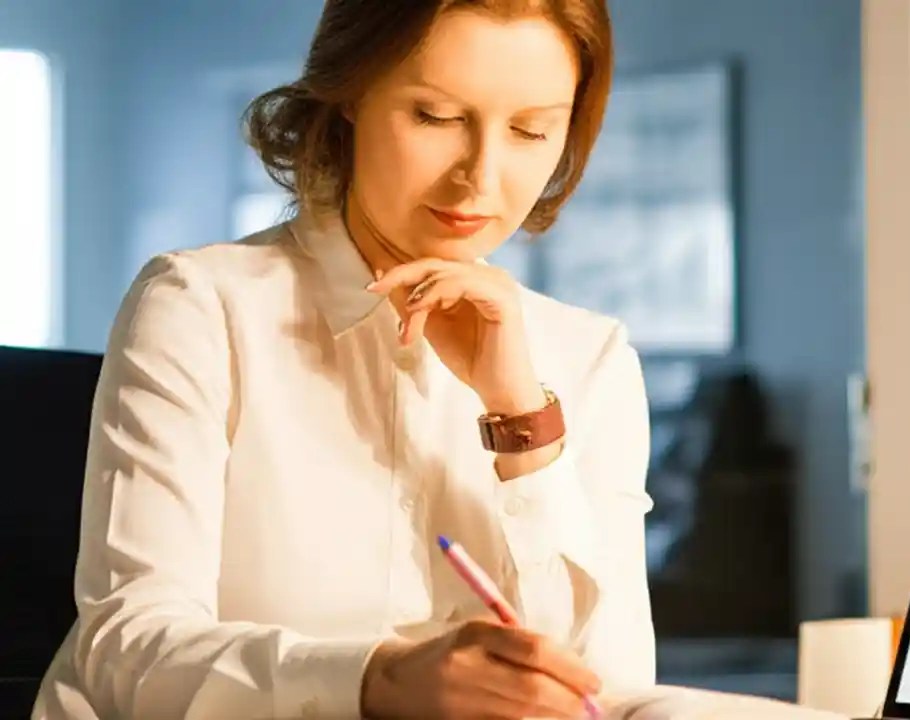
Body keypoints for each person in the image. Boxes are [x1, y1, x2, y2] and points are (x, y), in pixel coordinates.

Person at [31, 0, 657, 717]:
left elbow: (610, 687)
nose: (481, 177)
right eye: (437, 117)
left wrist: (522, 418)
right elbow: (125, 649)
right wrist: (379, 681)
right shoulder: (203, 304)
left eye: (529, 130)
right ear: (351, 93)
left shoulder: (589, 356)